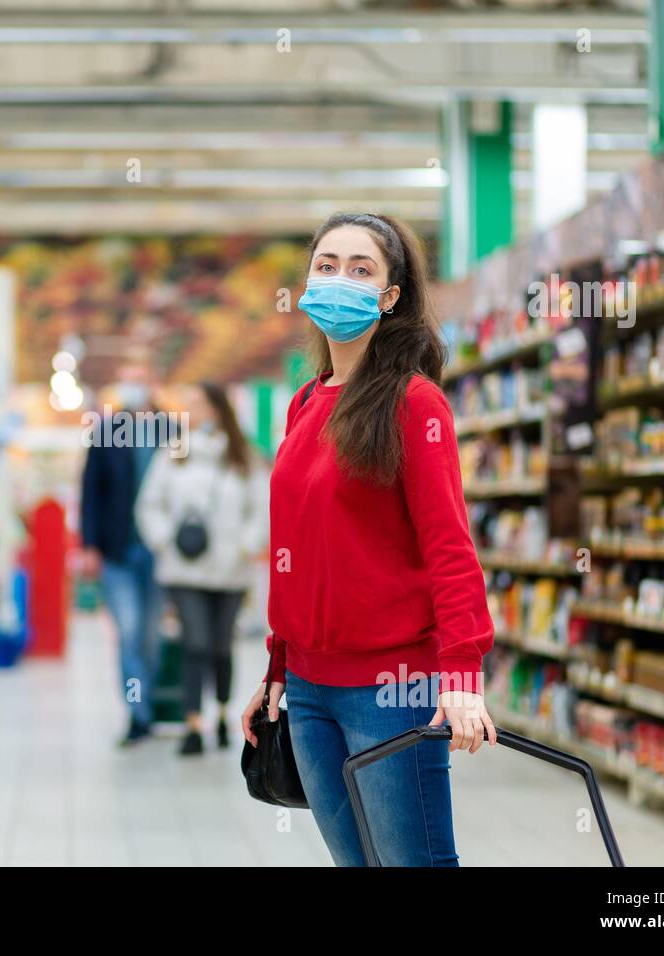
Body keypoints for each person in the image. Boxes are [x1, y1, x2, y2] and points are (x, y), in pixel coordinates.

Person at [241, 212, 496, 867]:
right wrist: (277, 665)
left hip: (392, 688)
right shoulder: (303, 404)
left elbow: (449, 547)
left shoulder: (414, 404)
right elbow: (297, 552)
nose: (338, 279)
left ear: (389, 298)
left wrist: (462, 671)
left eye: (361, 269)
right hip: (307, 688)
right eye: (326, 265)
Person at [135, 383, 268, 756]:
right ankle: (193, 724)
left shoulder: (243, 457)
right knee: (195, 641)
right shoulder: (173, 454)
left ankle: (224, 714)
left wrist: (245, 545)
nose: (189, 410)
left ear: (216, 409)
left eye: (195, 403)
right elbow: (149, 505)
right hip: (184, 569)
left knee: (221, 645)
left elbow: (261, 508)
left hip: (230, 569)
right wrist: (164, 540)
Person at [80, 360, 169, 746]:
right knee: (129, 630)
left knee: (150, 635)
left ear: (153, 383)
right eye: (128, 380)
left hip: (161, 552)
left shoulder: (172, 430)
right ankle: (138, 713)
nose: (134, 387)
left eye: (141, 379)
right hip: (118, 551)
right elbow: (90, 491)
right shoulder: (107, 431)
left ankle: (147, 702)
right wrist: (88, 546)